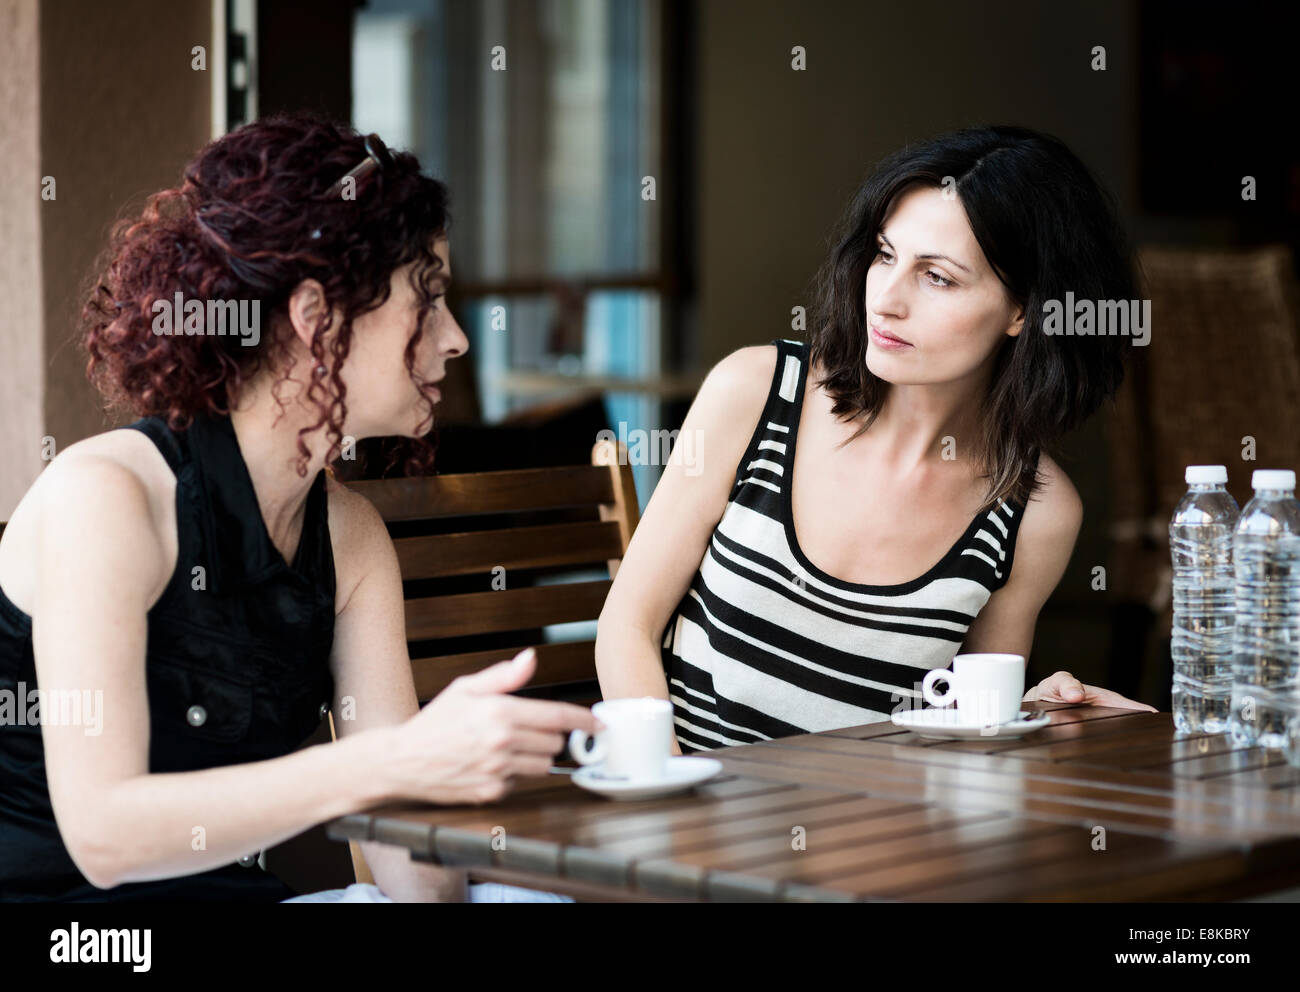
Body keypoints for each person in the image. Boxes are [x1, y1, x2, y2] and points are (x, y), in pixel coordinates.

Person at [0, 113, 596, 902]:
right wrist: (399, 760)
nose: (456, 339)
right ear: (317, 319)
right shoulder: (106, 499)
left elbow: (412, 880)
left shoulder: (348, 537)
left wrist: (480, 801)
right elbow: (104, 836)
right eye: (428, 299)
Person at [595, 125, 1158, 753]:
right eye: (885, 255)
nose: (885, 300)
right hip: (684, 818)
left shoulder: (1034, 510)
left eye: (937, 277)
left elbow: (969, 730)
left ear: (1026, 311)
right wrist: (669, 804)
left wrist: (1042, 716)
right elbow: (627, 626)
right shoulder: (755, 393)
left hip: (871, 841)